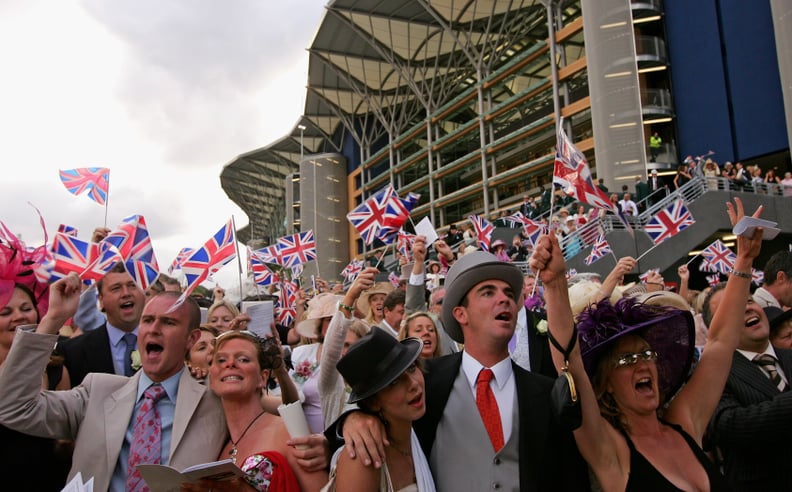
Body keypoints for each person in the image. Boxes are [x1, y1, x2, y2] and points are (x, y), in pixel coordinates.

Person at [530, 197, 761, 492]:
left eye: (646, 353)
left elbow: (720, 342)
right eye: (626, 360)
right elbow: (570, 361)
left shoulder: (685, 421)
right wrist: (554, 284)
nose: (641, 363)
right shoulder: (610, 451)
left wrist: (743, 261)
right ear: (607, 383)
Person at [332, 251, 589, 491]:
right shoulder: (425, 382)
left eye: (509, 293)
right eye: (488, 292)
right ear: (460, 314)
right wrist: (353, 419)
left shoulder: (545, 392)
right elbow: (378, 403)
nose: (505, 299)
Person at [0, 277, 228, 492]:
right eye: (147, 320)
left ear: (191, 338)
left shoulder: (217, 401)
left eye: (168, 322)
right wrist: (53, 319)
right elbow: (13, 407)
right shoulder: (96, 391)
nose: (153, 329)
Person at [185, 330, 328, 491]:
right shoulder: (218, 448)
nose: (230, 364)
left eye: (243, 359)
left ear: (263, 377)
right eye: (221, 360)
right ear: (211, 377)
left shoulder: (289, 432)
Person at [703, 280, 792, 489]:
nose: (747, 308)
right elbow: (730, 425)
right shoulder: (712, 375)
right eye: (735, 307)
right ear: (715, 329)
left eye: (749, 300)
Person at [332, 328, 435, 492]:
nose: (414, 384)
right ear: (373, 402)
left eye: (411, 367)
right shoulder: (362, 459)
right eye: (394, 382)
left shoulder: (426, 422)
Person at [56, 261, 146, 387]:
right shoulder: (73, 352)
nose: (126, 293)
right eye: (116, 288)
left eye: (132, 285)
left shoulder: (167, 343)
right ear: (101, 300)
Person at [291, 292, 344, 434]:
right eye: (329, 319)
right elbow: (290, 399)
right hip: (308, 437)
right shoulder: (302, 354)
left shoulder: (356, 354)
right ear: (320, 326)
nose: (334, 324)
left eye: (338, 319)